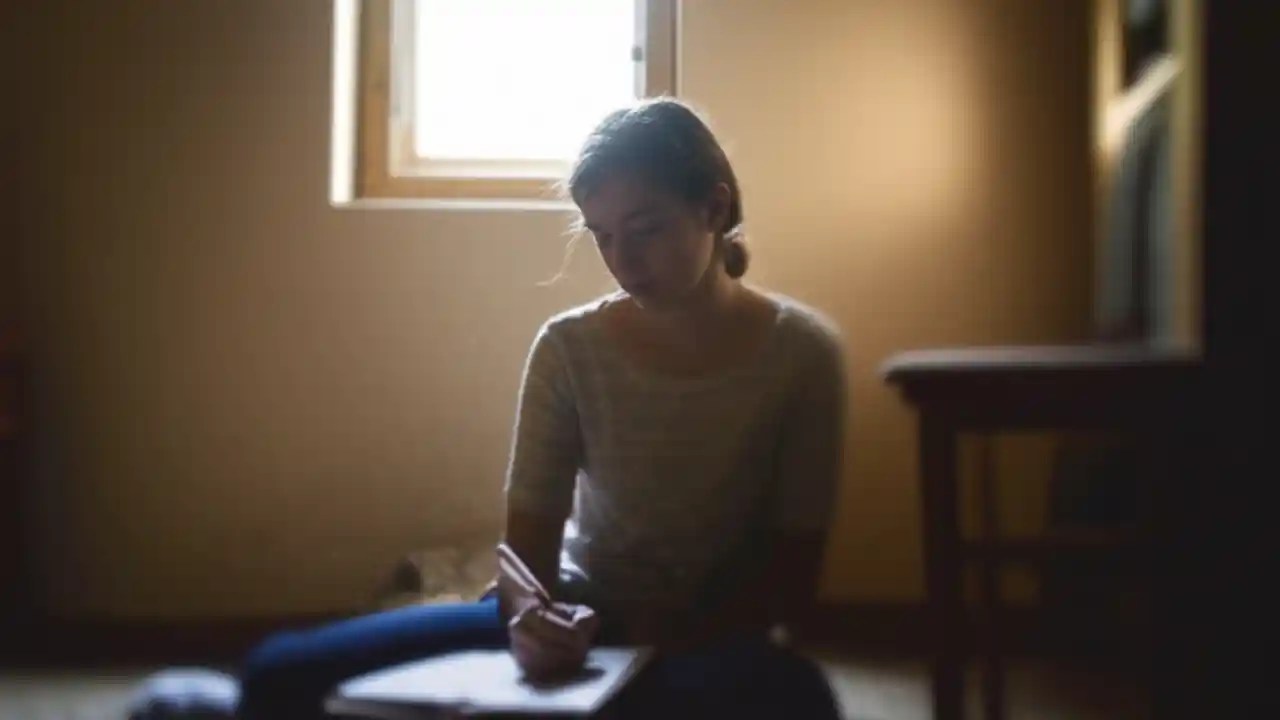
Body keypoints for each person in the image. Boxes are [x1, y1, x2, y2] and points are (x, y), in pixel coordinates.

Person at [236, 98, 847, 719]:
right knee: (279, 674)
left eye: (645, 230)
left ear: (713, 209)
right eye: (602, 236)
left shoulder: (802, 355)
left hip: (710, 642)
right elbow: (527, 557)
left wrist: (666, 632)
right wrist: (533, 620)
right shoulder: (569, 347)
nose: (622, 262)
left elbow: (790, 586)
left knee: (794, 699)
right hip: (574, 618)